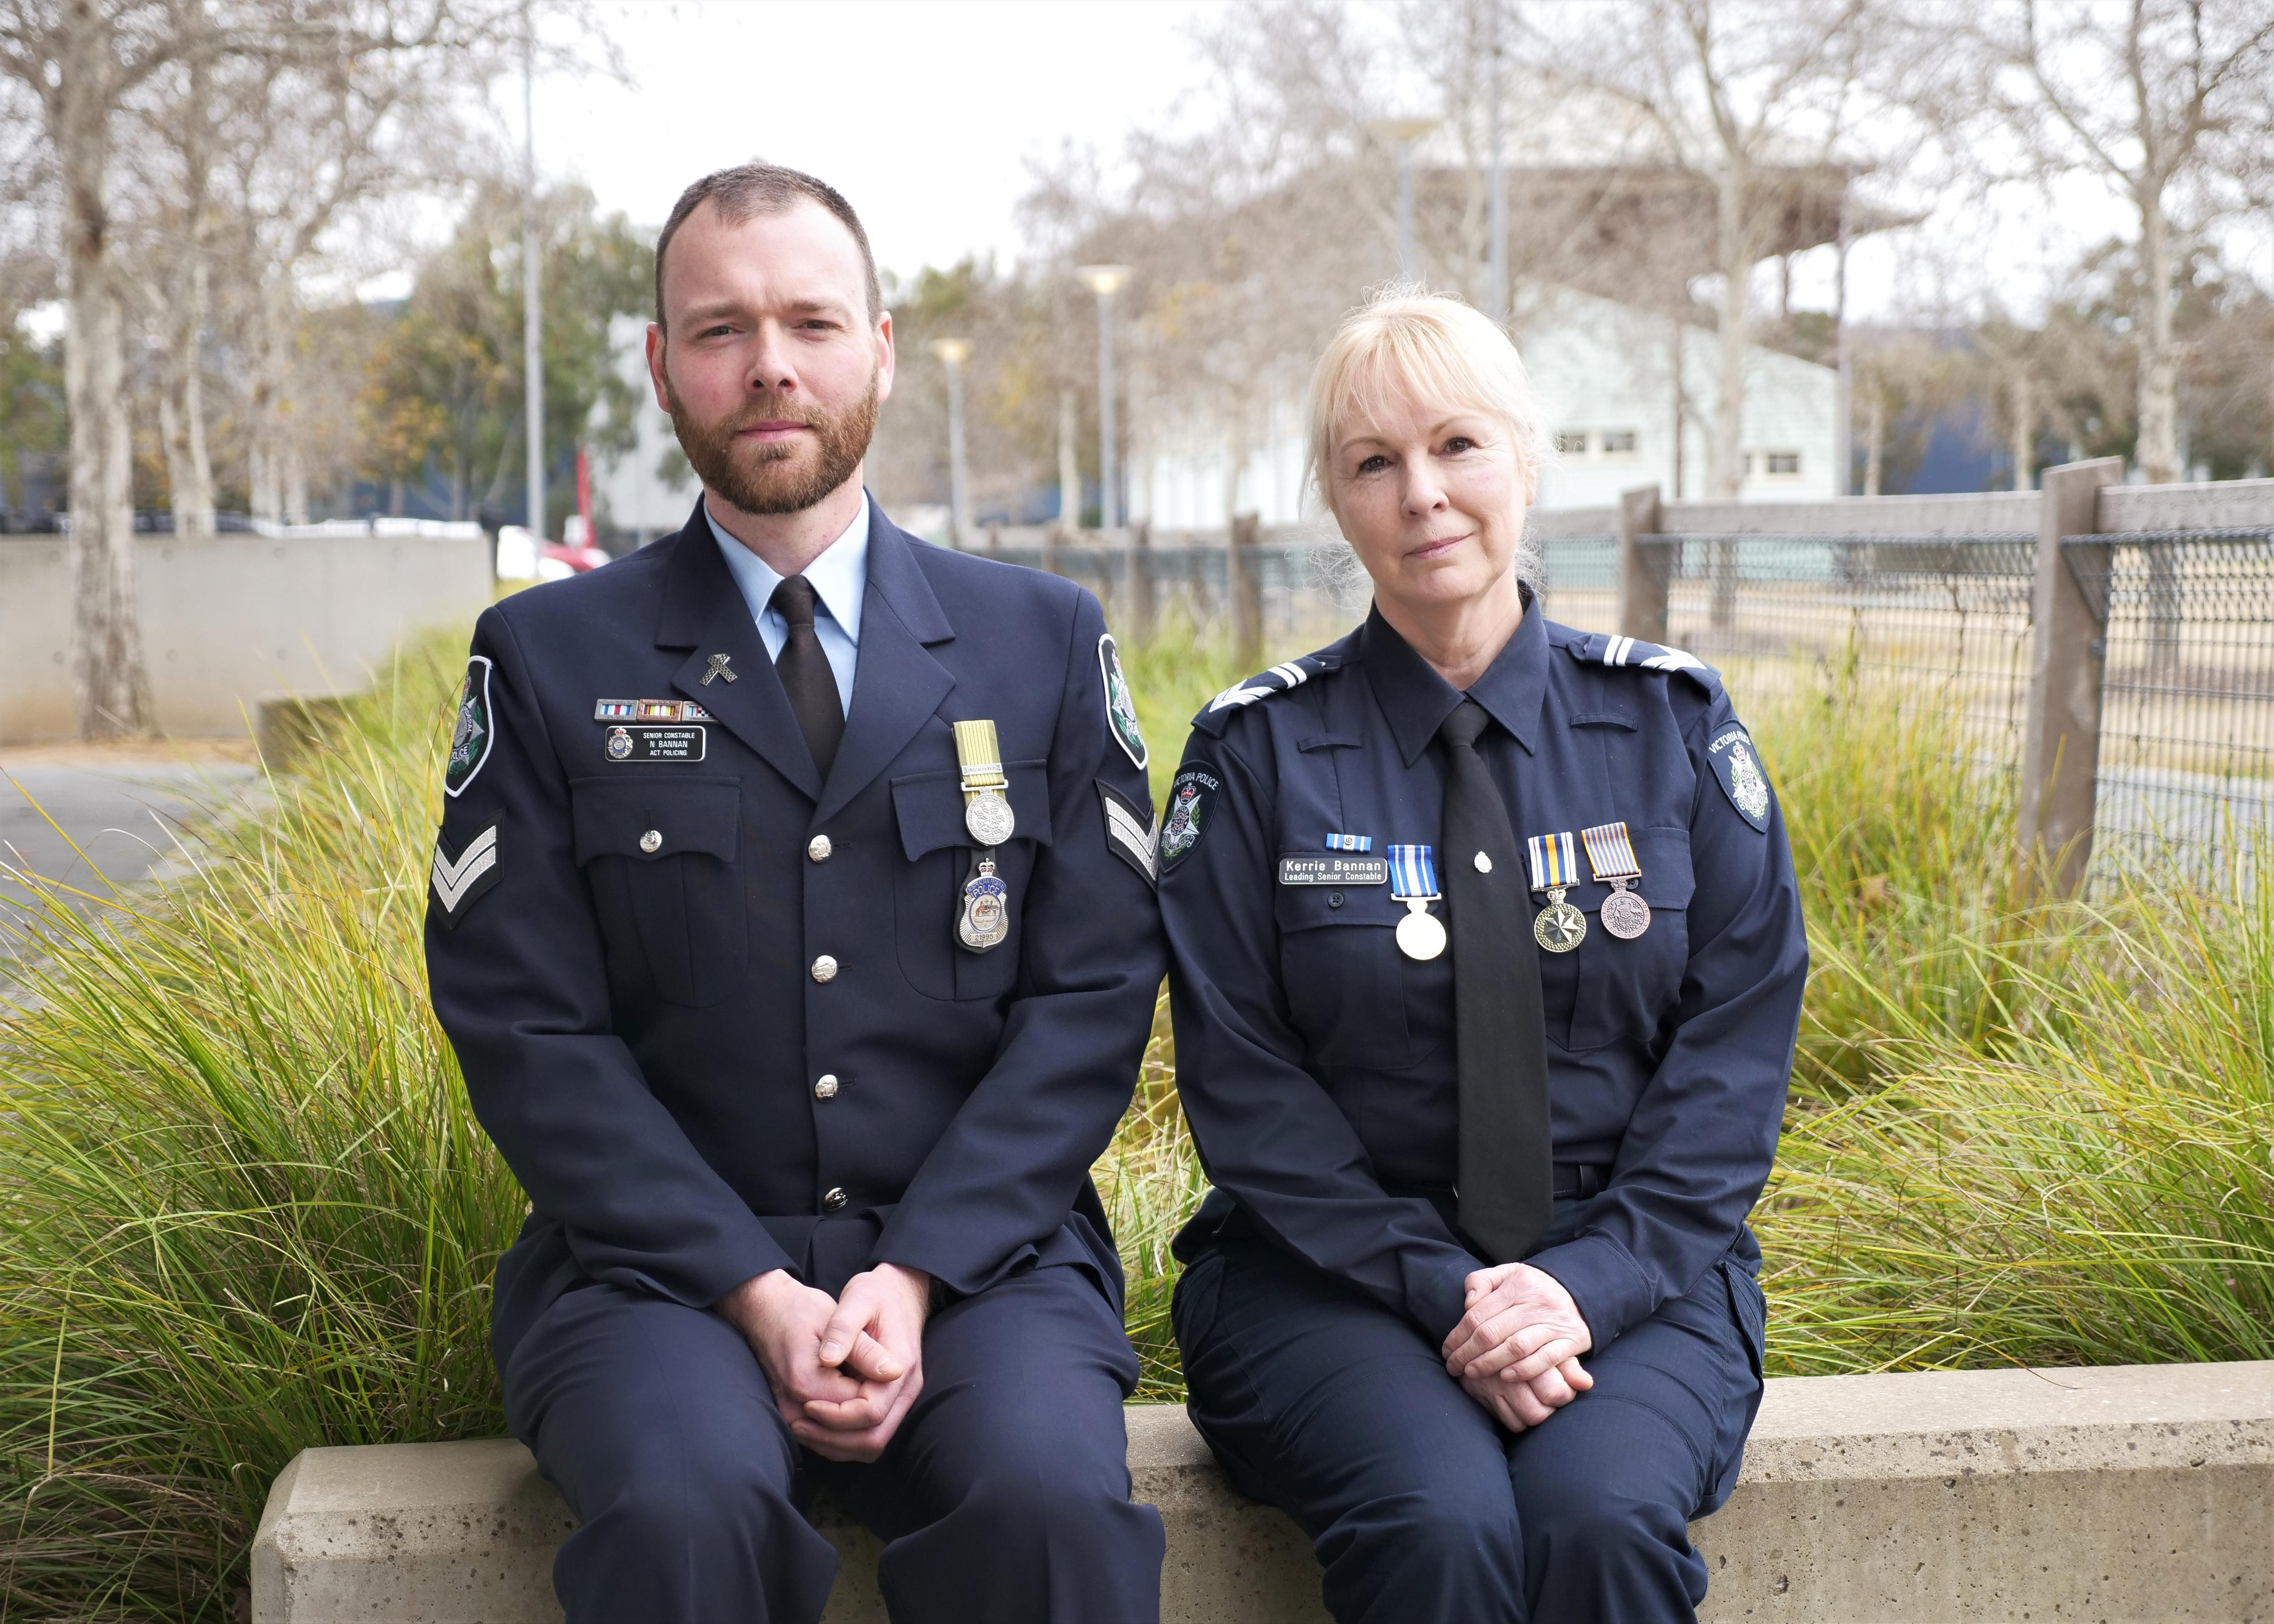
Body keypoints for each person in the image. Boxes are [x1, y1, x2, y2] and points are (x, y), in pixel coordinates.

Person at [423, 162, 1168, 1624]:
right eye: (719, 330)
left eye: (812, 322)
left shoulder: (1040, 641)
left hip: (984, 1265)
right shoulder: (550, 656)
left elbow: (1090, 999)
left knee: (1050, 1508)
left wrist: (919, 1271)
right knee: (681, 1514)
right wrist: (755, 1293)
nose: (770, 365)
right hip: (656, 1279)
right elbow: (527, 1029)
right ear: (660, 367)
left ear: (881, 347)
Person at [1158, 288, 1807, 1624]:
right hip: (1325, 1273)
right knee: (1437, 1523)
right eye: (1373, 463)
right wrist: (1451, 1289)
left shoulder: (1669, 725)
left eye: (1458, 445)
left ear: (1525, 458)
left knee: (1603, 1519)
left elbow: (1734, 1045)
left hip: (1636, 1258)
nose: (1423, 495)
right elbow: (1247, 1084)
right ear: (1336, 503)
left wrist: (1586, 1284)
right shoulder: (1257, 753)